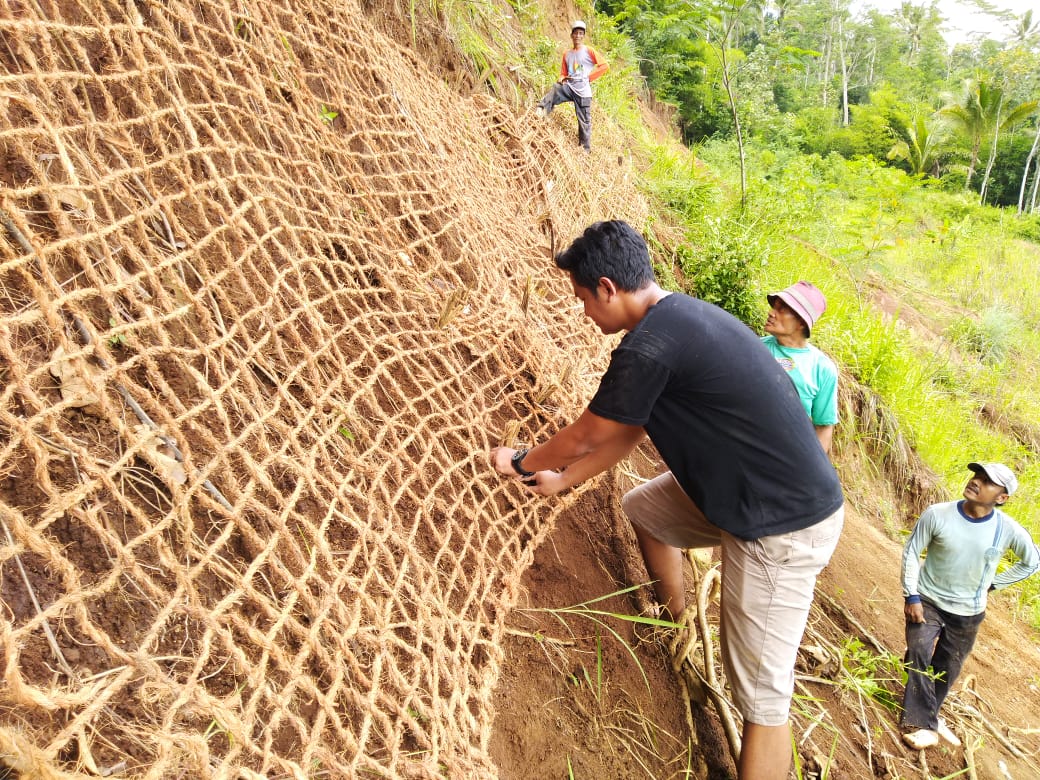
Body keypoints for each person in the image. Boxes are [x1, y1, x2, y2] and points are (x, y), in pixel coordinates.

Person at [489, 220, 844, 780]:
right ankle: (679, 626)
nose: (584, 312)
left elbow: (586, 434)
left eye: (583, 299)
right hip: (744, 491)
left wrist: (523, 462)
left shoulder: (650, 346)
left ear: (607, 288)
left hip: (780, 523)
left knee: (761, 698)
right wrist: (563, 480)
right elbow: (627, 431)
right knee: (646, 511)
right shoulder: (678, 320)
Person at [900, 462, 1039, 751]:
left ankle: (930, 710)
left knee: (947, 667)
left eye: (987, 482)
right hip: (928, 599)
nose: (976, 481)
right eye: (977, 475)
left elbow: (1032, 562)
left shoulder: (1006, 529)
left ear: (1002, 497)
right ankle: (924, 725)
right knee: (918, 650)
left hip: (968, 613)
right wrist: (911, 596)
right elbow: (912, 552)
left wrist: (994, 584)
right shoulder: (938, 514)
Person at [761, 281, 838, 453]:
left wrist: (814, 467)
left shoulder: (822, 369)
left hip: (786, 457)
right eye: (774, 307)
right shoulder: (756, 348)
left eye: (781, 309)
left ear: (801, 322)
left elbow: (824, 427)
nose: (771, 313)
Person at [535, 20, 608, 152]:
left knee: (584, 122)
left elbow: (604, 66)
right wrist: (562, 78)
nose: (578, 36)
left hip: (583, 93)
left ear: (583, 36)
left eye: (580, 33)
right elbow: (563, 73)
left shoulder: (589, 51)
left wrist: (589, 78)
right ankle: (541, 111)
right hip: (570, 88)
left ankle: (584, 150)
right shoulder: (567, 54)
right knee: (556, 89)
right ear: (571, 35)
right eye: (575, 33)